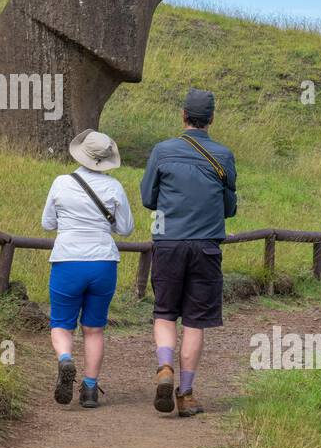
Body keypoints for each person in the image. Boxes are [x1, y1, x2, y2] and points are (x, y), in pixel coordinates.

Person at [139, 89, 237, 417]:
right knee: (195, 322)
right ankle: (186, 392)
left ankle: (164, 367)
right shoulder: (223, 155)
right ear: (211, 119)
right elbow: (229, 206)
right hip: (207, 246)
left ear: (183, 115)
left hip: (168, 242)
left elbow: (148, 198)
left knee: (165, 312)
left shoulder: (162, 150)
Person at [40, 129, 135, 408]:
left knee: (61, 324)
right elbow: (126, 228)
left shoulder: (60, 182)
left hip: (67, 260)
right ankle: (91, 389)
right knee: (94, 329)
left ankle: (65, 360)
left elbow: (47, 223)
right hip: (103, 263)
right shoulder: (114, 187)